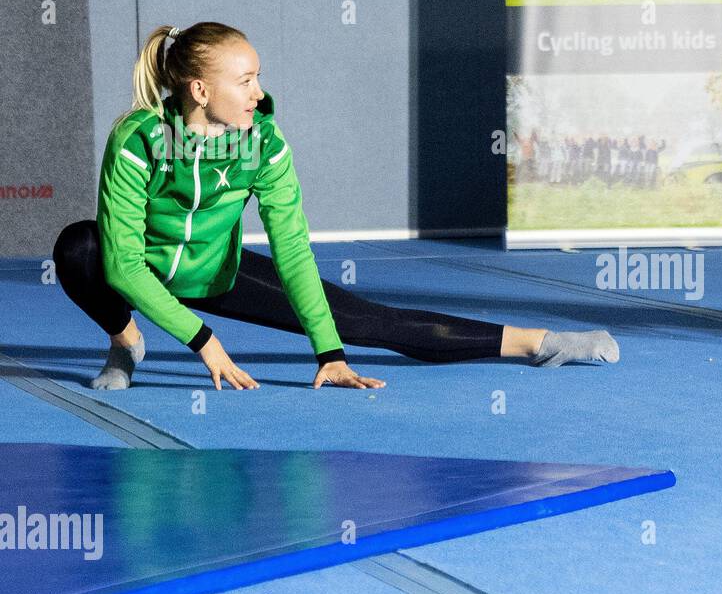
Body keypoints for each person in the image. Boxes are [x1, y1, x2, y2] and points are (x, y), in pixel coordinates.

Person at [54, 22, 619, 391]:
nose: (258, 93)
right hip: (142, 272)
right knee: (79, 246)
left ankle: (537, 342)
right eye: (245, 80)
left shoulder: (264, 146)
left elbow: (293, 249)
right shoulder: (139, 138)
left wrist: (329, 351)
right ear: (200, 91)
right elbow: (125, 262)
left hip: (214, 276)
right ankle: (125, 341)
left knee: (371, 322)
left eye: (259, 79)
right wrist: (204, 341)